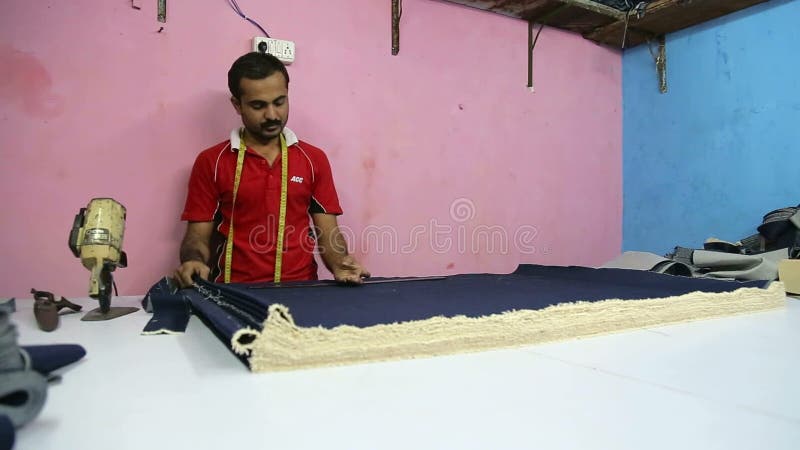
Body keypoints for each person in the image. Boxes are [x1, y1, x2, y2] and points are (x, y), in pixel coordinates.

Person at [173, 52, 369, 287]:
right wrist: (193, 260)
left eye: (279, 102)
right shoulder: (212, 162)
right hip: (234, 292)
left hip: (302, 292)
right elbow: (197, 236)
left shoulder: (313, 159)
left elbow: (328, 231)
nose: (272, 115)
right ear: (237, 105)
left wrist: (340, 263)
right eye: (258, 105)